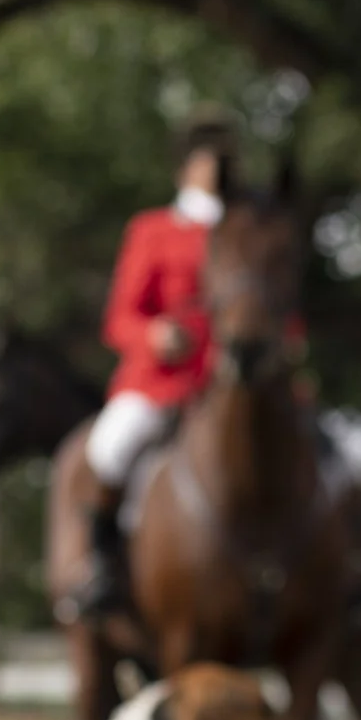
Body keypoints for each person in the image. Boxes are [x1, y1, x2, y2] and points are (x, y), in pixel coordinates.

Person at [62, 117, 239, 621]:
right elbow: (120, 319)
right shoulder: (153, 230)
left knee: (325, 452)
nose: (218, 169)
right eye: (207, 159)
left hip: (233, 386)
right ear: (186, 168)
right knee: (111, 447)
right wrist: (156, 336)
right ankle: (101, 568)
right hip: (165, 382)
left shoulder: (245, 228)